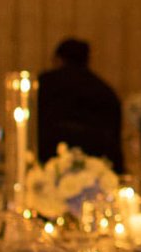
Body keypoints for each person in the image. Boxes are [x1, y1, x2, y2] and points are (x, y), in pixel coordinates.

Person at [36, 38, 124, 172]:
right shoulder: (105, 91)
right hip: (99, 171)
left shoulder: (44, 84)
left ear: (58, 59)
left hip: (50, 168)